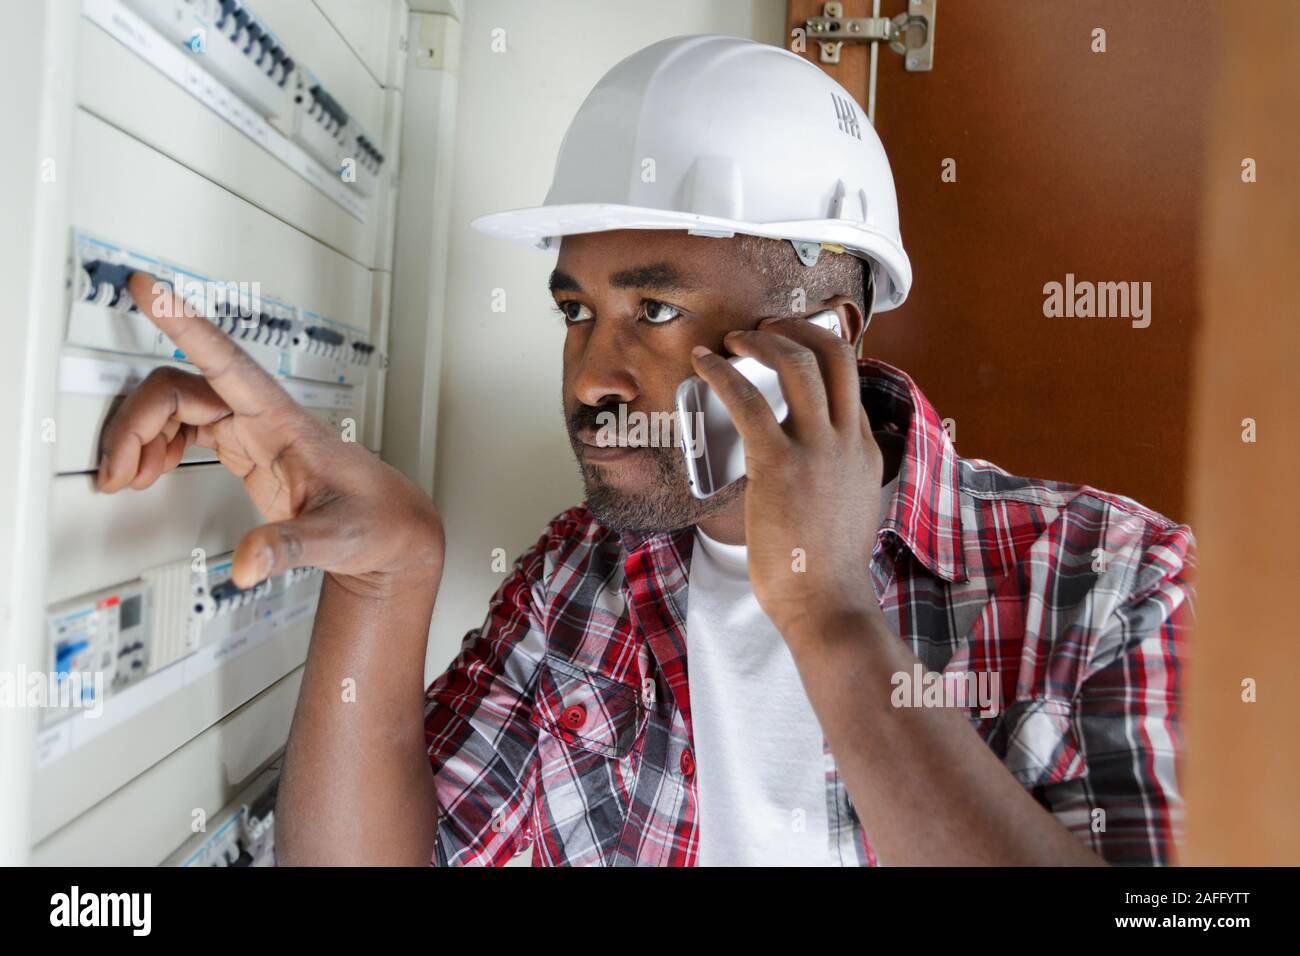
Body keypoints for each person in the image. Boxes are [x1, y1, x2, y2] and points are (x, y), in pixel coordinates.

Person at [99, 35, 1194, 866]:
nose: (589, 376)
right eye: (576, 310)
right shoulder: (584, 579)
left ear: (822, 338)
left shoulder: (1109, 580)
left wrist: (830, 617)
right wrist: (385, 586)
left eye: (654, 312)